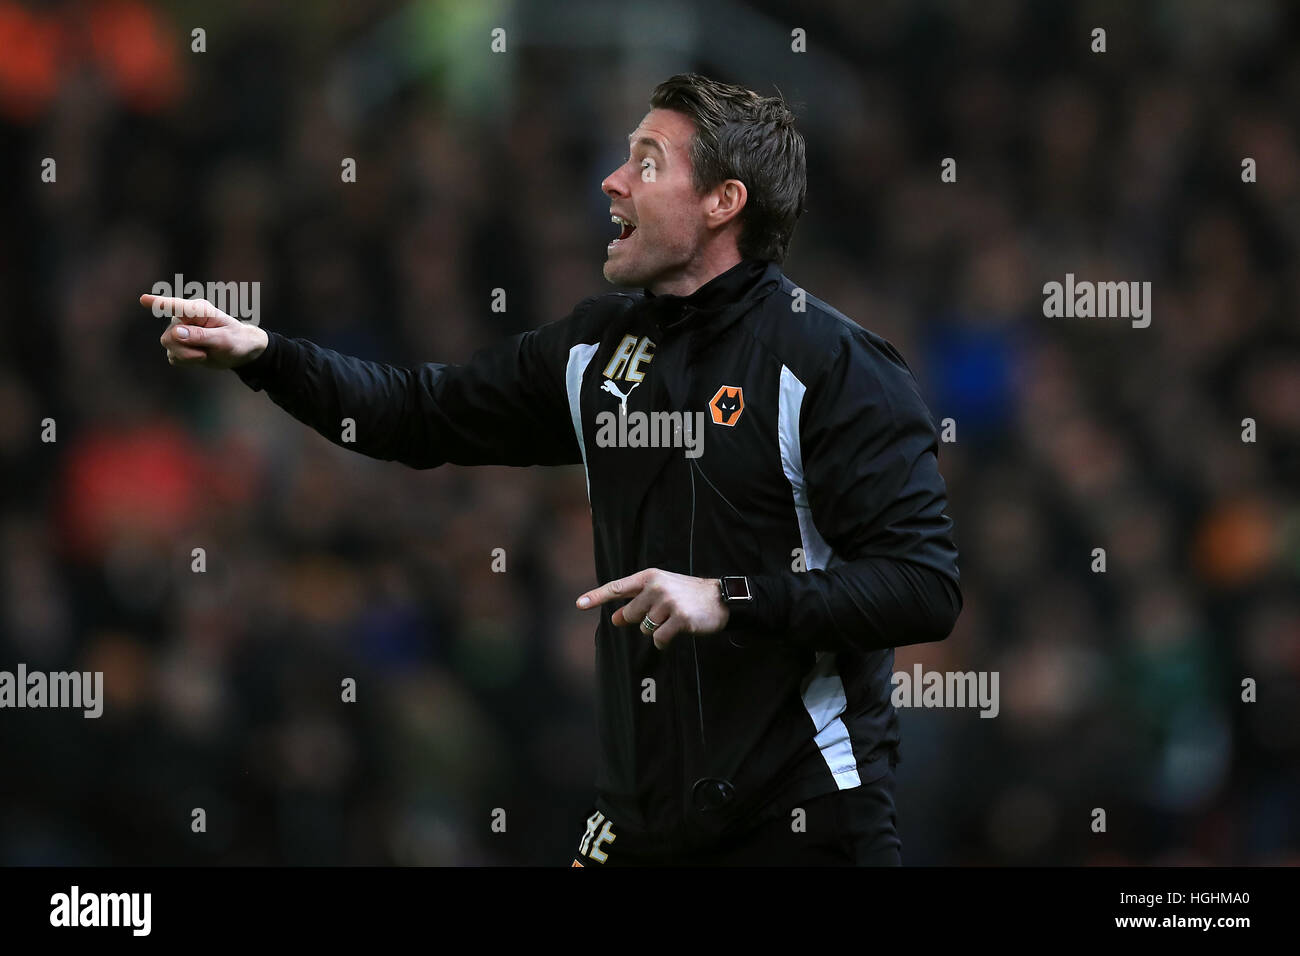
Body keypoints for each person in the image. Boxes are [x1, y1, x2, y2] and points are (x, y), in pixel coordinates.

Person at [144, 73, 961, 866]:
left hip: (803, 821)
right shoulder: (596, 351)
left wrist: (728, 598)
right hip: (640, 828)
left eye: (646, 162)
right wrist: (264, 355)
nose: (611, 183)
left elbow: (924, 587)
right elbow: (415, 414)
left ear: (724, 202)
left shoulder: (834, 366)